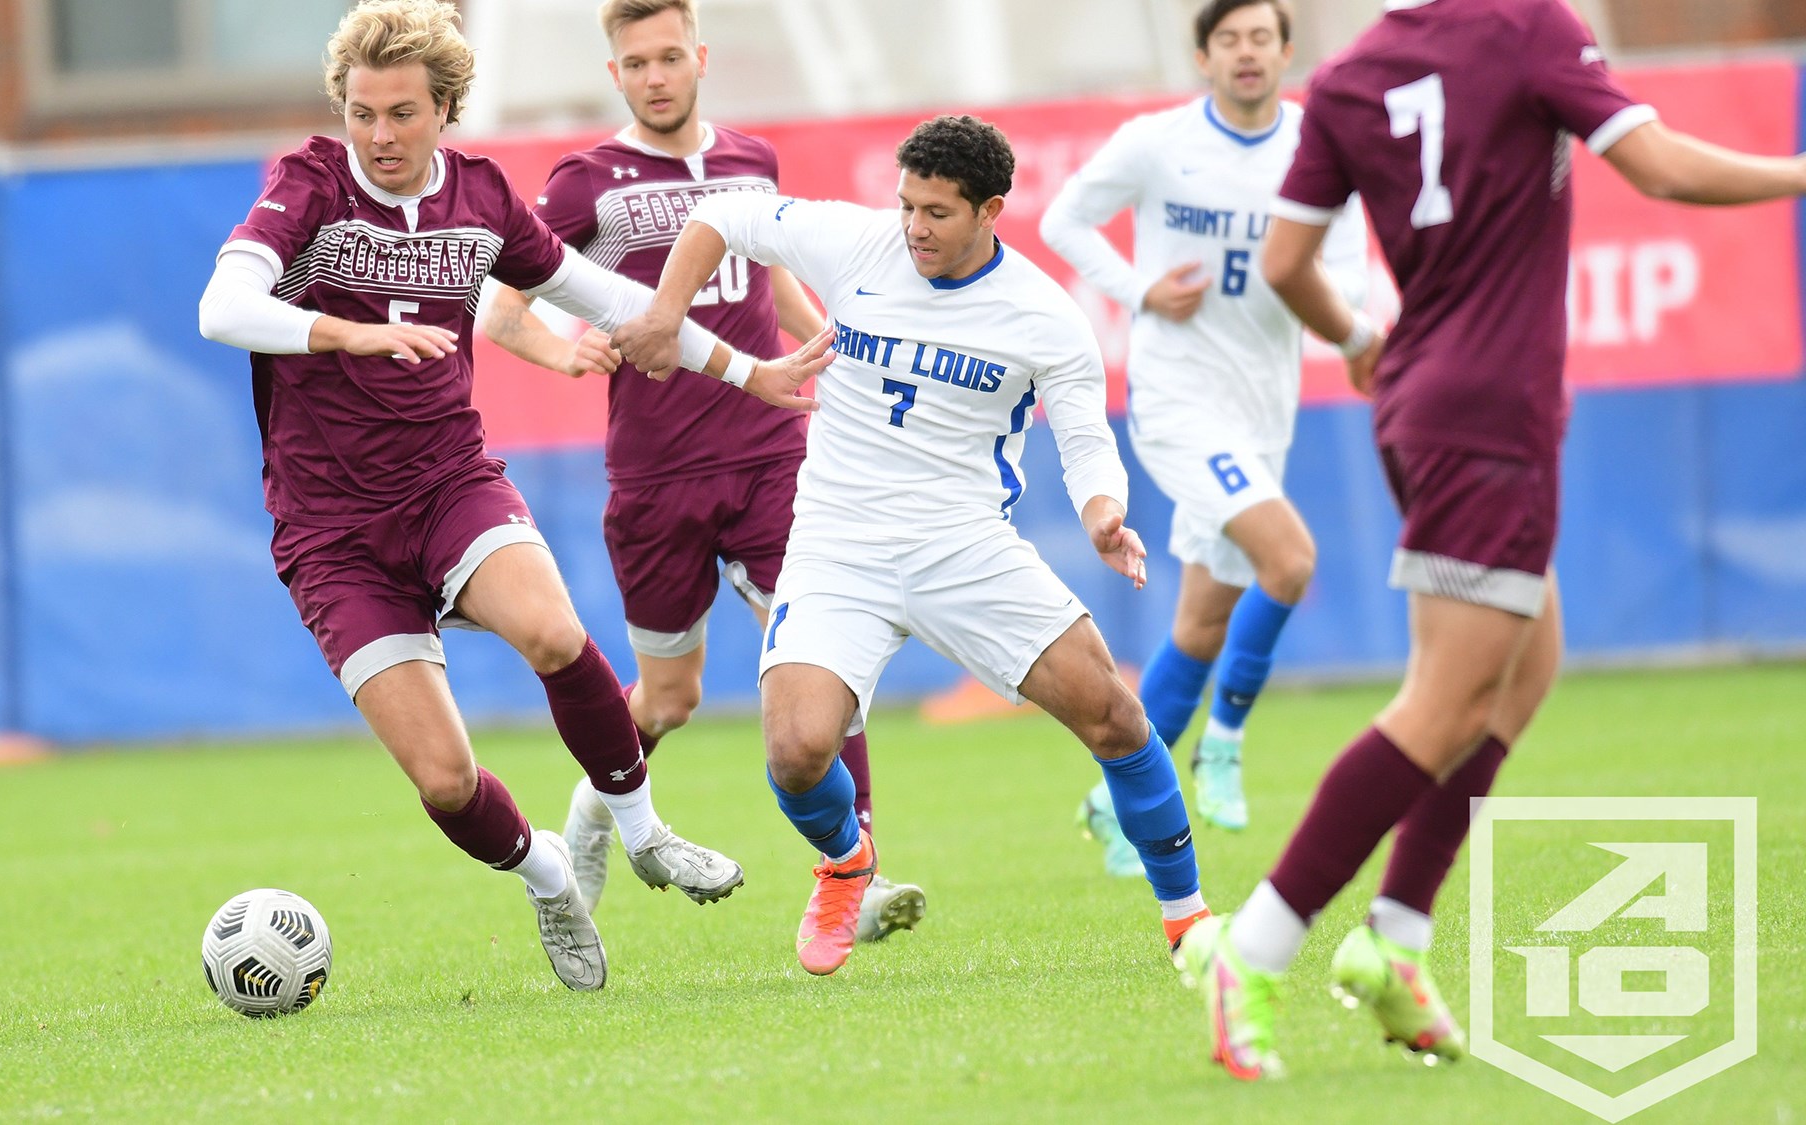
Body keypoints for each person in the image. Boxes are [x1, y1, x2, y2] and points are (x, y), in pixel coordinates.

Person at [1176, 0, 1806, 1079]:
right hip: (1486, 417)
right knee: (1444, 703)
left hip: (1420, 400)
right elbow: (1657, 169)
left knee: (1520, 671)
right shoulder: (1528, 28)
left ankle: (1395, 941)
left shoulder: (1345, 76)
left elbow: (1285, 262)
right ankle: (1255, 947)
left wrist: (1360, 339)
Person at [196, 0, 831, 993]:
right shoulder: (308, 184)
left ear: (444, 109)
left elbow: (616, 302)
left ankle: (643, 833)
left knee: (557, 637)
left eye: (402, 113)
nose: (380, 135)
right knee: (445, 781)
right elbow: (221, 306)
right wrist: (344, 333)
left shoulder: (481, 197)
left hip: (448, 484)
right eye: (363, 112)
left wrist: (750, 374)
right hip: (330, 531)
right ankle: (544, 875)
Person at [614, 115, 1210, 977]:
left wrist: (1102, 513)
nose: (915, 227)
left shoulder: (1045, 316)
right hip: (836, 542)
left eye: (937, 212)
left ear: (991, 210)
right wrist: (667, 312)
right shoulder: (858, 242)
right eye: (907, 205)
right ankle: (847, 860)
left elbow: (1085, 439)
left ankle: (1189, 921)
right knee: (794, 751)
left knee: (1115, 716)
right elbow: (728, 211)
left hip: (963, 545)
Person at [479, 0, 924, 943]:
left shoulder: (751, 161)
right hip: (656, 477)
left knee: (824, 659)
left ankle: (859, 870)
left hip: (771, 457)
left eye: (670, 56)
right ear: (615, 74)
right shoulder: (585, 185)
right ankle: (599, 807)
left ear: (700, 58)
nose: (655, 75)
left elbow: (773, 282)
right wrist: (565, 356)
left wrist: (844, 348)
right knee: (670, 698)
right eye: (636, 62)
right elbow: (503, 309)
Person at [1042, 0, 1369, 854]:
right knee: (1291, 558)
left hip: (1263, 407)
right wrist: (1141, 289)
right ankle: (1223, 744)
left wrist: (1342, 318)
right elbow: (1062, 219)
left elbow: (1350, 277)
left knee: (1198, 627)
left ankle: (1117, 802)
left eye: (1261, 37)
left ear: (1286, 51)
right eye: (1229, 40)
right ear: (1203, 58)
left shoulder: (1317, 147)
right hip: (1178, 400)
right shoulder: (1159, 142)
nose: (1247, 53)